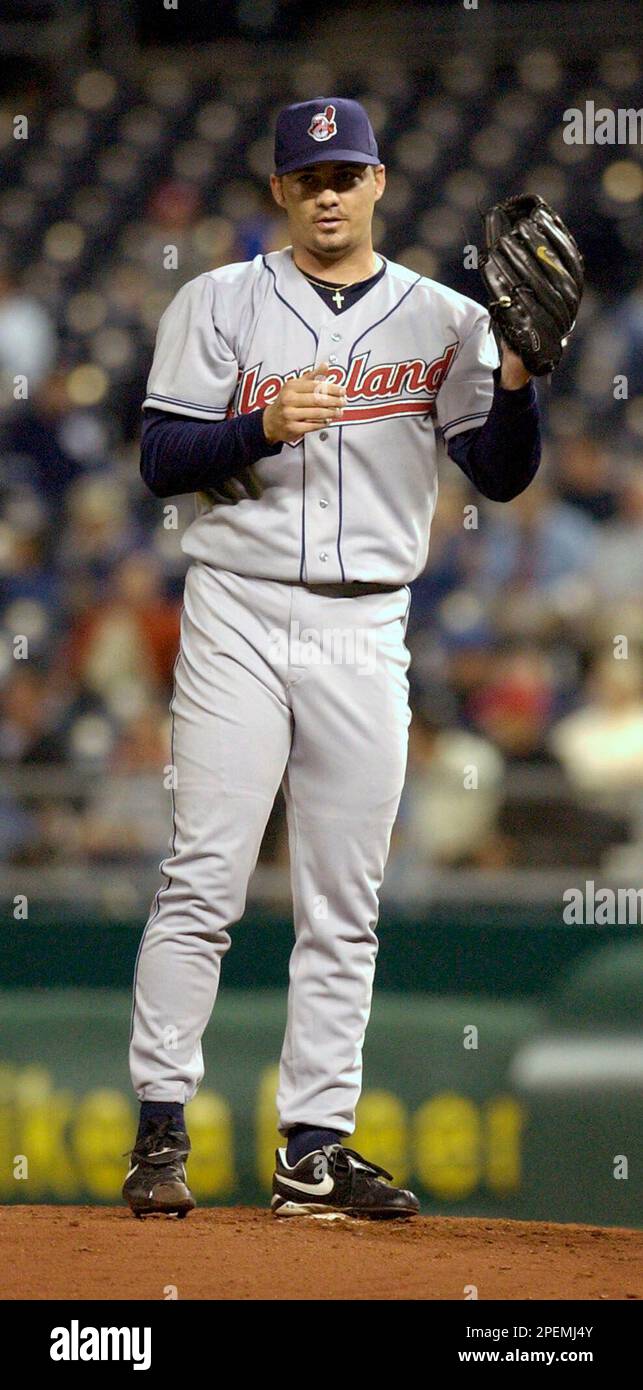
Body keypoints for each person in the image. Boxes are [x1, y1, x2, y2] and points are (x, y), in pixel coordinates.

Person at [123, 97, 541, 1220]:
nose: (327, 193)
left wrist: (517, 380)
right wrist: (257, 429)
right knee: (204, 874)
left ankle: (314, 1149)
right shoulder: (216, 303)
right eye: (307, 178)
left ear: (378, 182)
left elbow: (498, 475)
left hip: (366, 622)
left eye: (345, 175)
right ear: (279, 191)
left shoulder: (446, 319)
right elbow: (161, 455)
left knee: (343, 900)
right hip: (239, 609)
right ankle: (160, 1130)